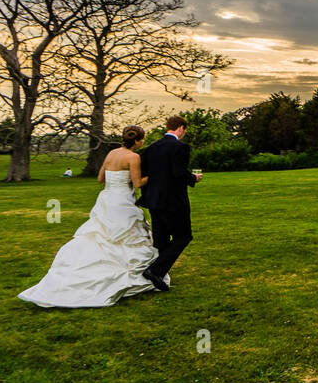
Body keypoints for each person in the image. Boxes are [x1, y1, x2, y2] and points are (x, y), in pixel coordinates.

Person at [19, 126, 165, 308]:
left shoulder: (111, 153)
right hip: (123, 201)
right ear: (137, 141)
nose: (143, 142)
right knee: (125, 234)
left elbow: (100, 179)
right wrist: (153, 176)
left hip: (107, 198)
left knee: (102, 235)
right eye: (142, 139)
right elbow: (137, 183)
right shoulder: (133, 157)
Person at [137, 115, 201, 292]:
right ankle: (154, 271)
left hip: (153, 200)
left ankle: (159, 279)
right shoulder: (180, 147)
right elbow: (179, 173)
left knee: (161, 241)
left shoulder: (150, 149)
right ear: (180, 128)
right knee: (183, 236)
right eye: (184, 130)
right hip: (173, 201)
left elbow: (146, 174)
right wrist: (193, 178)